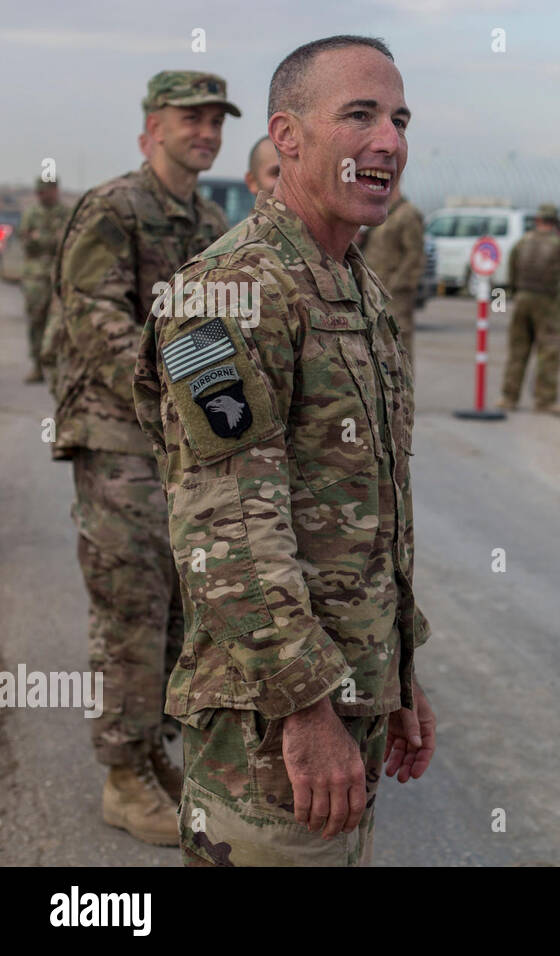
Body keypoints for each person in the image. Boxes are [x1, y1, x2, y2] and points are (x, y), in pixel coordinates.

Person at [134, 34, 435, 867]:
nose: (390, 141)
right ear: (289, 136)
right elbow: (225, 535)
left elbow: (371, 515)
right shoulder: (230, 292)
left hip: (353, 697)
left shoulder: (354, 287)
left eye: (400, 119)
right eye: (361, 115)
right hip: (270, 724)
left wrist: (399, 669)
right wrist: (307, 711)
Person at [44, 71, 238, 845]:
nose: (207, 131)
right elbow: (94, 318)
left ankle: (154, 753)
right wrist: (181, 393)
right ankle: (123, 777)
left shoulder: (210, 216)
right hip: (119, 439)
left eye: (216, 120)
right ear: (153, 126)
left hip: (179, 448)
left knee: (176, 613)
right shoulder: (114, 207)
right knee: (130, 607)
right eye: (191, 118)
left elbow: (220, 320)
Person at [497, 202, 560, 413]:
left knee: (518, 350)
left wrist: (517, 293)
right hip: (547, 301)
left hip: (523, 299)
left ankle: (509, 397)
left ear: (537, 220)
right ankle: (545, 400)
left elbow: (512, 271)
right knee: (549, 351)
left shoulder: (522, 242)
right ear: (556, 223)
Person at [359, 183, 424, 362]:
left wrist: (397, 285)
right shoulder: (380, 212)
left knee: (399, 346)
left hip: (394, 296)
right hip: (373, 293)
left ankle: (403, 389)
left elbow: (415, 255)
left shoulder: (407, 214)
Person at [17, 177, 70, 383]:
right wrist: (48, 240)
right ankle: (37, 365)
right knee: (36, 321)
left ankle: (58, 366)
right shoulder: (31, 214)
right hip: (36, 278)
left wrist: (42, 239)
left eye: (45, 191)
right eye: (38, 192)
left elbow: (68, 242)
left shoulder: (66, 214)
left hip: (59, 277)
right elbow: (26, 241)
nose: (41, 195)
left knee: (60, 323)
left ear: (55, 190)